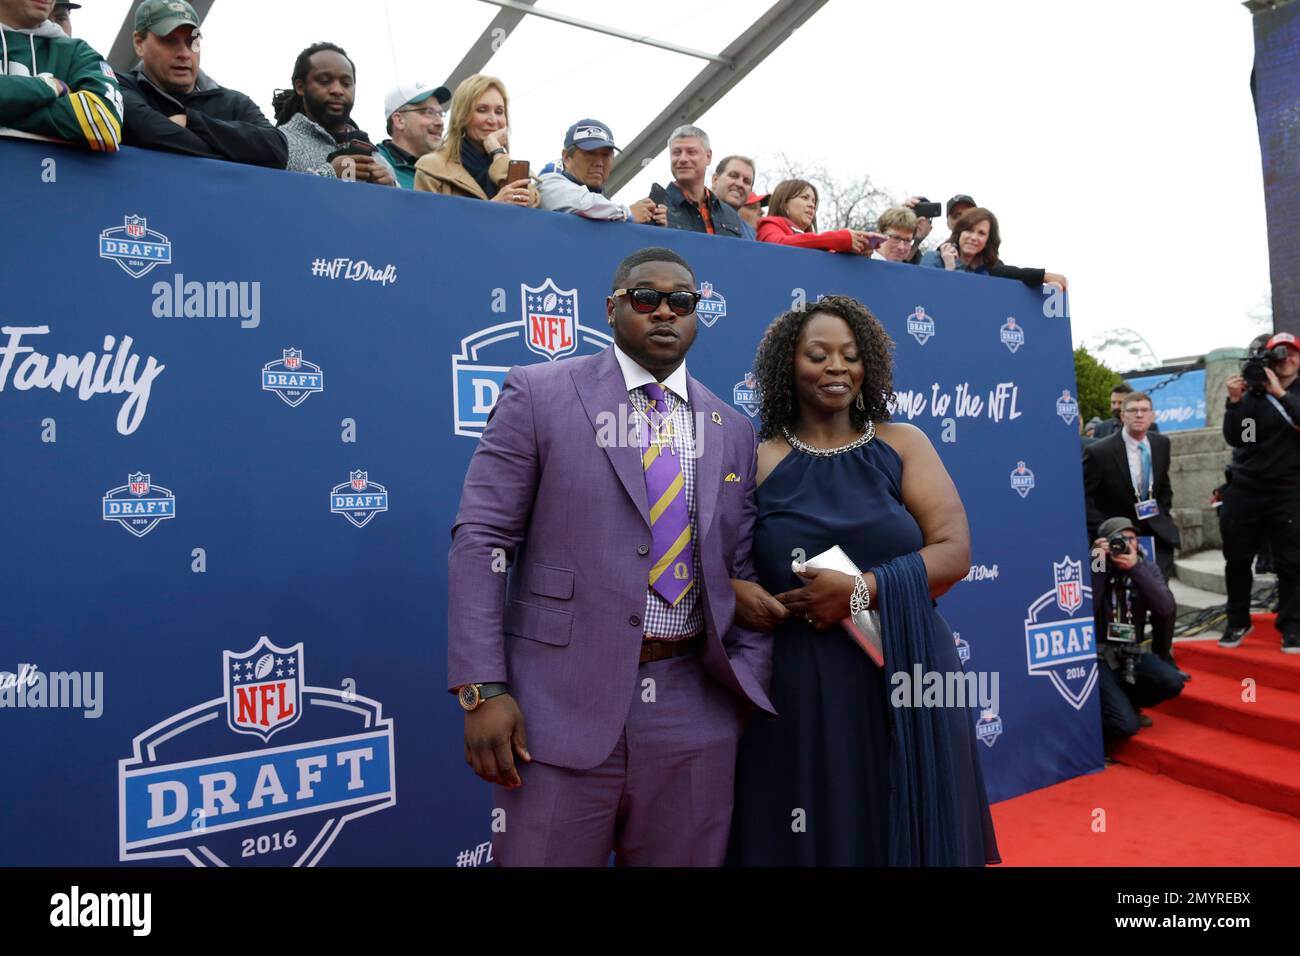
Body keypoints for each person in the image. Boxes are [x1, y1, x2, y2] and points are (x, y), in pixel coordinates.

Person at [448, 246, 775, 866]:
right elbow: (482, 540)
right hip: (554, 707)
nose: (664, 312)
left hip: (694, 709)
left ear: (697, 314)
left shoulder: (731, 428)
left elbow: (740, 565)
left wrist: (741, 687)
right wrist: (481, 688)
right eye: (645, 298)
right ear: (612, 307)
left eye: (681, 301)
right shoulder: (540, 393)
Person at [726, 295, 1000, 866]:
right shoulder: (756, 458)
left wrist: (860, 590)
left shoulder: (903, 443)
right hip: (800, 680)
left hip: (907, 666)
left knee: (906, 810)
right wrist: (733, 591)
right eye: (818, 355)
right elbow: (720, 561)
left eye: (851, 356)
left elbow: (953, 553)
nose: (836, 368)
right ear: (786, 366)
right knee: (815, 823)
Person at [1083, 390, 1184, 675]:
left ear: (1153, 416)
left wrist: (1163, 514)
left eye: (1145, 410)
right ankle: (1128, 660)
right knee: (1126, 600)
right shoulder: (1099, 451)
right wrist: (1109, 531)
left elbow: (1163, 487)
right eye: (1133, 410)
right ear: (1122, 416)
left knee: (1162, 598)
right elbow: (1086, 498)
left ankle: (1164, 657)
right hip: (1118, 535)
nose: (1139, 415)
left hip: (1156, 534)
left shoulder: (1161, 444)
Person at [117, 0, 286, 169]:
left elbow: (277, 150)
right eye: (169, 41)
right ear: (139, 43)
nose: (184, 54)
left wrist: (192, 121)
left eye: (192, 42)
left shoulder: (235, 102)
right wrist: (236, 153)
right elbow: (149, 132)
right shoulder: (117, 87)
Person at [1220, 331, 1300, 653]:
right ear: (1269, 358)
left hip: (1290, 490)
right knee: (1237, 559)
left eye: (1292, 353)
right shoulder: (1252, 395)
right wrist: (1235, 403)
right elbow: (1240, 439)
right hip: (1246, 489)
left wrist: (1280, 393)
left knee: (1292, 562)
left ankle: (1292, 626)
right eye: (1279, 353)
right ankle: (1238, 620)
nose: (1287, 358)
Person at [1092, 517, 1184, 742]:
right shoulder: (1096, 563)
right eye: (1118, 539)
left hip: (1129, 651)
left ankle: (1128, 702)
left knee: (1172, 682)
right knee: (1125, 726)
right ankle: (1108, 714)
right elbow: (1087, 605)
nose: (1125, 544)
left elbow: (1165, 609)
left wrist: (1135, 570)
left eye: (1131, 539)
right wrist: (1097, 562)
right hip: (1099, 658)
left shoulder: (1145, 566)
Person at [0, 0, 122, 152]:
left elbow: (103, 122)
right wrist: (49, 87)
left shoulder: (77, 52)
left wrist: (7, 109)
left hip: (46, 174)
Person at [271, 42, 395, 184]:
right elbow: (267, 199)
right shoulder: (280, 143)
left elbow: (400, 205)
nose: (337, 90)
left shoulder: (373, 154)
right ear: (300, 87)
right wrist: (330, 174)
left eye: (346, 83)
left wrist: (389, 189)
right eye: (324, 81)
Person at [413, 73, 537, 206]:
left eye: (499, 112)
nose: (493, 120)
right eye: (482, 110)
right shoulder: (432, 168)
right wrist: (492, 208)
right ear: (462, 116)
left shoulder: (512, 166)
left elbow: (531, 204)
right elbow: (429, 223)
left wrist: (498, 153)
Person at [536, 118, 664, 223]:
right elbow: (584, 204)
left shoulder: (607, 210)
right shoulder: (548, 183)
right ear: (566, 157)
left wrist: (651, 225)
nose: (598, 162)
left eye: (605, 155)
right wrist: (629, 213)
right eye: (590, 153)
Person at [920, 207, 1069, 289]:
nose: (974, 237)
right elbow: (923, 294)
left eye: (981, 233)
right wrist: (949, 268)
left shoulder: (988, 270)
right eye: (969, 230)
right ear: (959, 233)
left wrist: (1045, 276)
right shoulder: (934, 258)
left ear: (988, 241)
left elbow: (1015, 273)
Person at [661, 125, 745, 238]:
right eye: (676, 153)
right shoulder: (654, 208)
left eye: (691, 152)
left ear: (708, 157)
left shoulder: (730, 215)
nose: (683, 159)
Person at [756, 179, 879, 254]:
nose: (811, 205)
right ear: (784, 203)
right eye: (805, 198)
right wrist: (839, 239)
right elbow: (778, 246)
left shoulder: (811, 238)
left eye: (814, 201)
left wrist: (856, 250)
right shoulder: (769, 225)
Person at [375, 79, 449, 189]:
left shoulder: (450, 170)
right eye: (429, 112)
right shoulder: (372, 163)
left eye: (440, 113)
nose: (440, 122)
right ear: (399, 120)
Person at [711, 154, 757, 238]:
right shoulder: (692, 215)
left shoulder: (751, 234)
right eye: (733, 176)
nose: (740, 184)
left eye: (746, 181)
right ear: (715, 180)